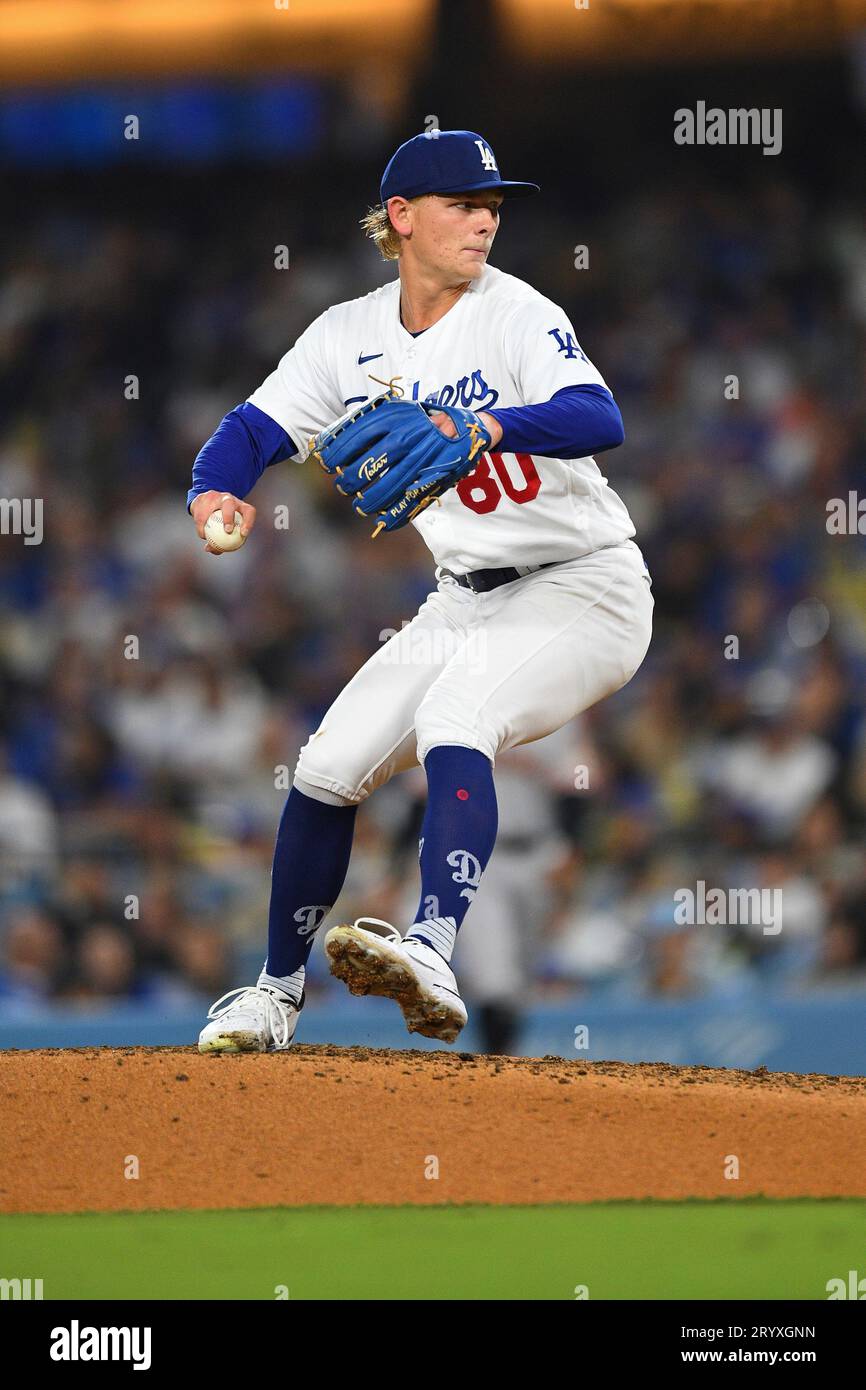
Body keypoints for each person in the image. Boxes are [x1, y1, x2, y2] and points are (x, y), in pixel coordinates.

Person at [190, 129, 654, 1053]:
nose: (485, 220)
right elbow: (251, 429)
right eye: (463, 203)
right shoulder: (346, 336)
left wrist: (481, 422)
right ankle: (275, 997)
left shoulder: (516, 311)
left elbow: (598, 416)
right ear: (401, 217)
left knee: (455, 715)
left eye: (493, 206)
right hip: (466, 597)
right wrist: (214, 492)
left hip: (586, 585)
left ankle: (435, 947)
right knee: (327, 766)